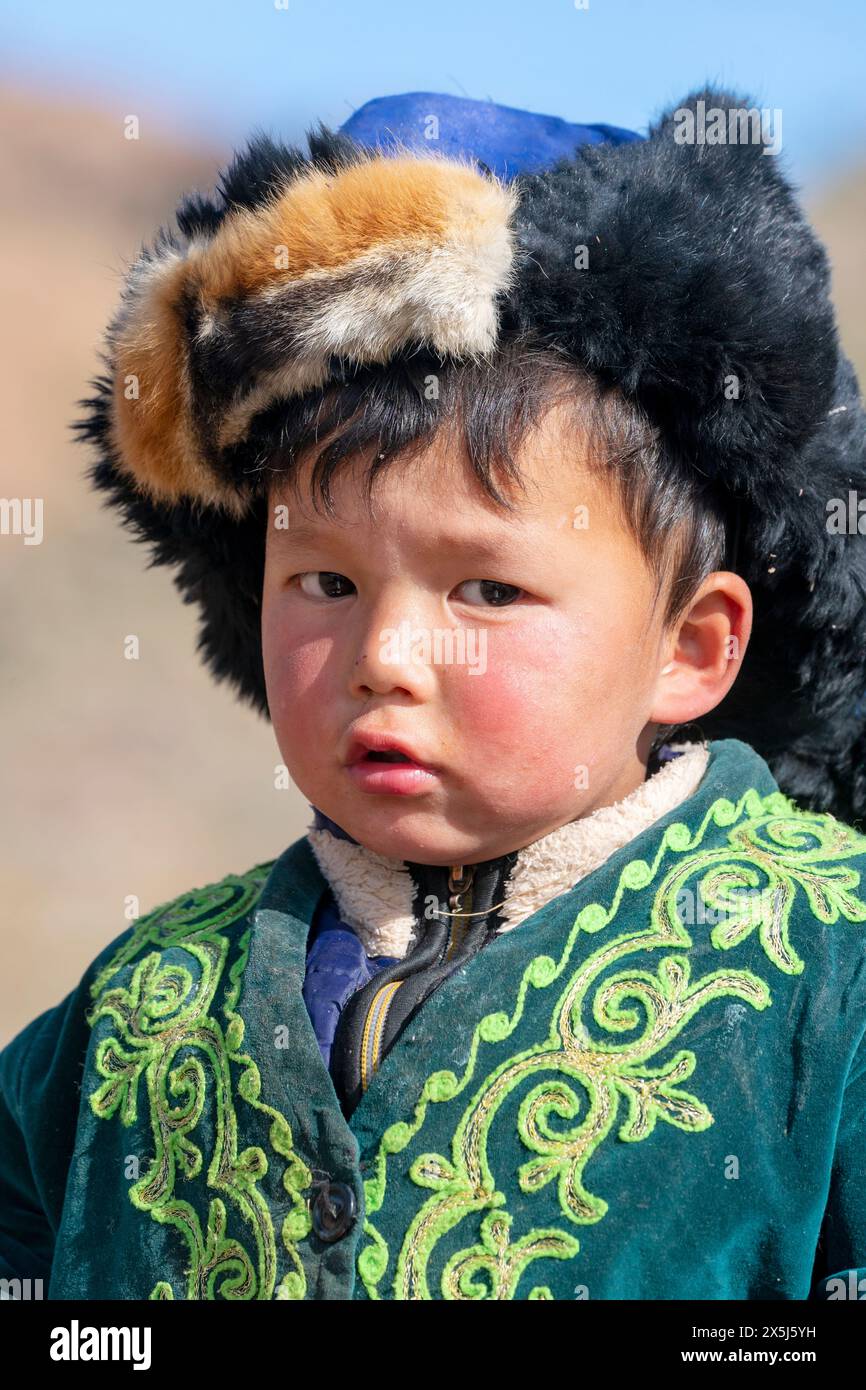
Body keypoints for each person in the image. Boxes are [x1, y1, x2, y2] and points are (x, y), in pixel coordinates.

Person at [2, 86, 866, 1302]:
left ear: (690, 646)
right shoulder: (130, 1010)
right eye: (322, 578)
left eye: (489, 592)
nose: (386, 655)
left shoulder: (832, 972)